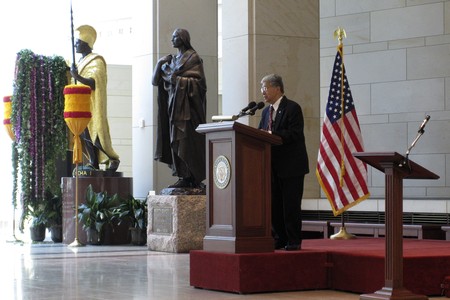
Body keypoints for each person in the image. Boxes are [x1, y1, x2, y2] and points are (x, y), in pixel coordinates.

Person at [258, 74, 309, 251]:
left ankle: (294, 240)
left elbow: (295, 134)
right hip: (271, 166)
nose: (262, 92)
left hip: (291, 166)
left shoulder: (292, 108)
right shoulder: (265, 111)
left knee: (290, 205)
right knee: (274, 205)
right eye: (262, 88)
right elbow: (259, 133)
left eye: (265, 88)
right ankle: (279, 237)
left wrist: (272, 135)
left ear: (277, 88)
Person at [152, 28, 207, 188]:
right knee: (174, 140)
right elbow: (155, 81)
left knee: (186, 142)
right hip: (173, 109)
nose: (172, 39)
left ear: (183, 38)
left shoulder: (193, 57)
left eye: (175, 36)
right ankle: (182, 174)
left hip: (188, 111)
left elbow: (200, 84)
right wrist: (159, 63)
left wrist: (179, 81)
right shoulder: (172, 61)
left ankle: (191, 176)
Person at [70, 25, 120, 171]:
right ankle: (93, 162)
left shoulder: (96, 60)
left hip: (92, 104)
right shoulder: (80, 61)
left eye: (78, 42)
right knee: (85, 134)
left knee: (96, 134)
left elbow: (94, 82)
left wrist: (77, 76)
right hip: (81, 104)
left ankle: (112, 159)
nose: (75, 45)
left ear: (86, 44)